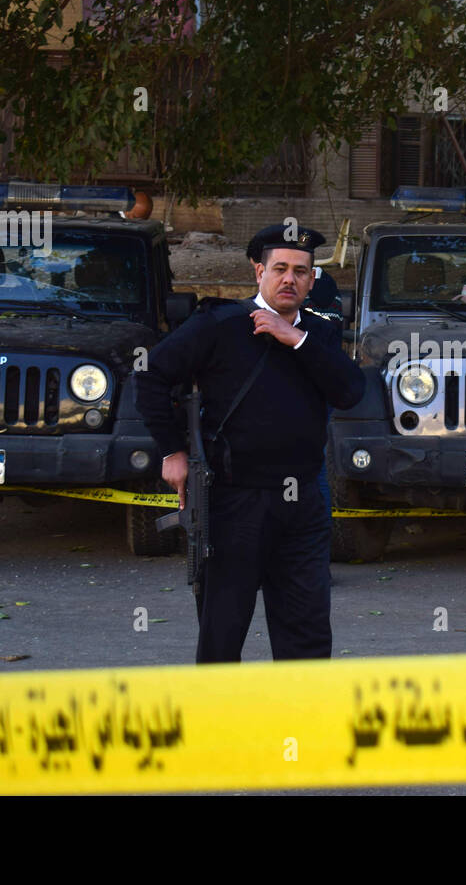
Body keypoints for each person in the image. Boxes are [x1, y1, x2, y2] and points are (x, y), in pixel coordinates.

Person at [135, 225, 365, 663]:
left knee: (307, 633)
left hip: (302, 502)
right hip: (232, 501)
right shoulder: (220, 324)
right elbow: (150, 374)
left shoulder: (319, 333)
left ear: (312, 281)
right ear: (259, 272)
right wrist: (172, 451)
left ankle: (299, 725)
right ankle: (223, 727)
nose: (289, 280)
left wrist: (294, 338)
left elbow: (351, 391)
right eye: (279, 268)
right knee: (222, 634)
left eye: (301, 272)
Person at [245, 224, 344, 514]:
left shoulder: (310, 288)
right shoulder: (314, 282)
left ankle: (314, 529)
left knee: (313, 467)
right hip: (306, 386)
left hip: (311, 387)